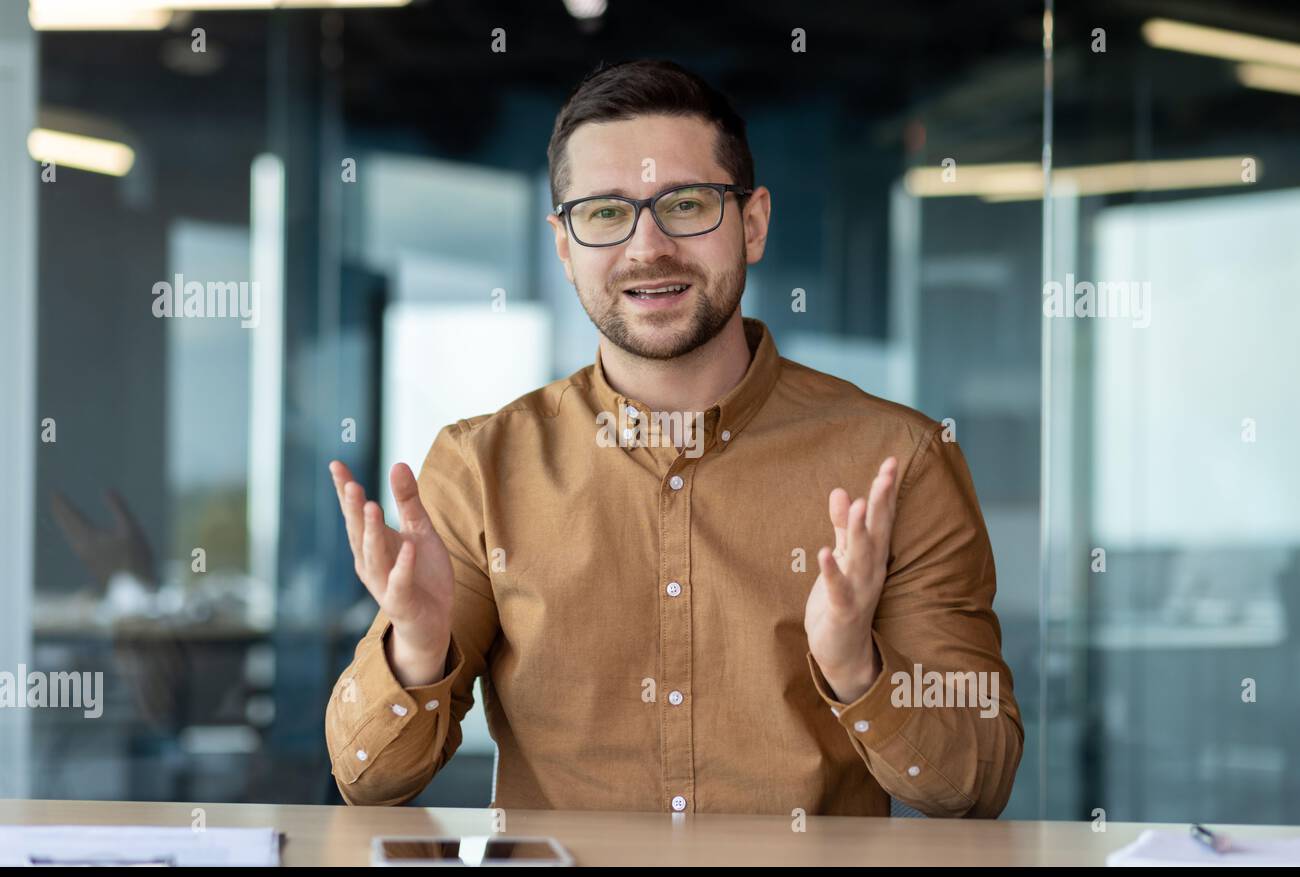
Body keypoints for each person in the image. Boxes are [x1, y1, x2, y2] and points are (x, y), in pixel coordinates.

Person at [325, 58, 1022, 817]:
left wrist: (858, 668)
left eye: (686, 205)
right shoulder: (479, 467)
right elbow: (368, 778)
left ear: (752, 224)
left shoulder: (901, 462)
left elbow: (974, 782)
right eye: (603, 212)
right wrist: (418, 649)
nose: (647, 246)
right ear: (564, 247)